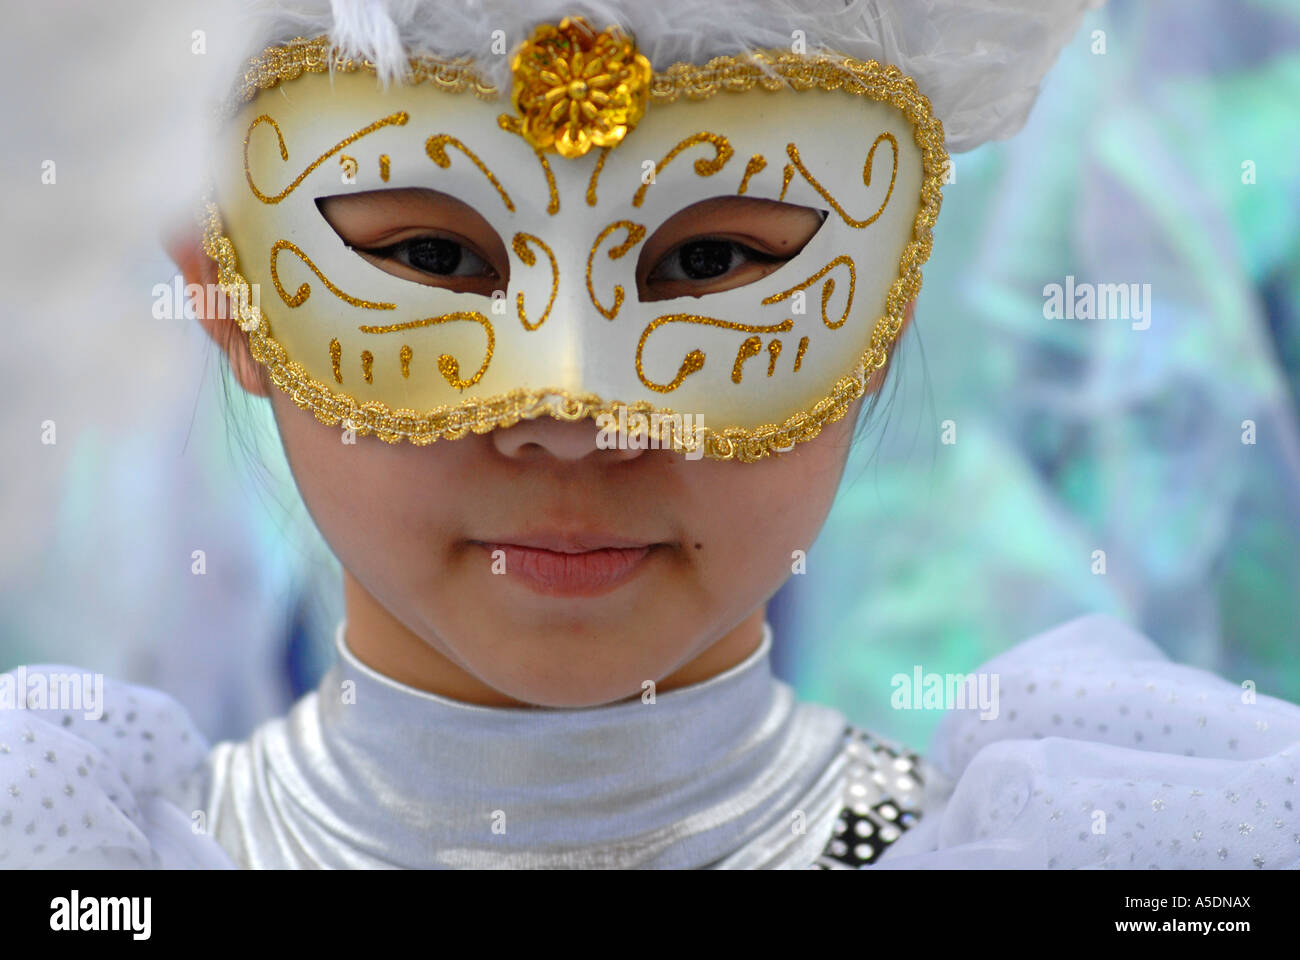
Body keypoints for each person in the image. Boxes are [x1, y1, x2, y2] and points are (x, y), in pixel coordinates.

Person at [2, 0, 1297, 870]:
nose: (571, 418)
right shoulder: (58, 849)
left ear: (893, 290)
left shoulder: (1134, 850)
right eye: (433, 254)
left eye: (717, 258)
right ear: (228, 292)